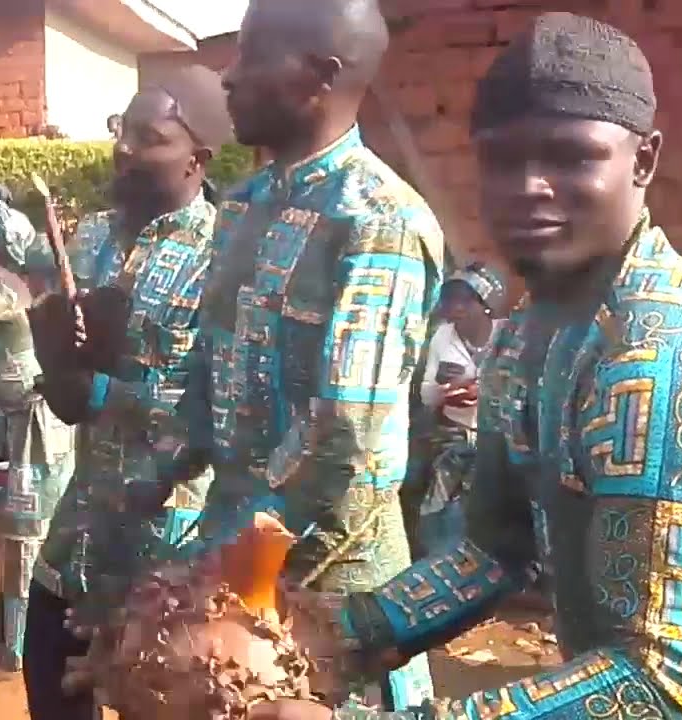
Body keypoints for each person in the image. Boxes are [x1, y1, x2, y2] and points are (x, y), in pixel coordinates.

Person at [259, 12, 682, 720]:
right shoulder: (526, 332)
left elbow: (661, 678)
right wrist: (334, 630)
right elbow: (494, 553)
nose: (528, 186)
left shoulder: (659, 359)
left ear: (643, 160)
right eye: (502, 160)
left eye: (571, 156)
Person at [161, 0, 444, 709]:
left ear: (320, 77)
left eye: (252, 56)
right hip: (226, 578)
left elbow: (343, 434)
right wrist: (143, 497)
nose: (228, 78)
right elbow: (208, 376)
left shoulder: (376, 219)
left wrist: (221, 567)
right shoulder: (243, 204)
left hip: (331, 598)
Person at [24, 64, 232, 720]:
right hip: (79, 530)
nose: (124, 148)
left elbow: (220, 406)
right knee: (50, 691)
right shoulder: (91, 237)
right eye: (123, 130)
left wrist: (108, 390)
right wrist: (57, 373)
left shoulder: (224, 255)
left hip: (172, 547)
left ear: (197, 159)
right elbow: (69, 371)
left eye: (149, 137)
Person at [0, 182, 78, 680]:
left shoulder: (2, 291)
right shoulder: (1, 285)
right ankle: (7, 635)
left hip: (39, 425)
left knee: (27, 537)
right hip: (22, 421)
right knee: (20, 535)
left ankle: (16, 653)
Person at [410, 263, 505, 556]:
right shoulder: (443, 336)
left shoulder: (507, 334)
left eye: (466, 300)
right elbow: (426, 393)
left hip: (496, 440)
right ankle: (439, 564)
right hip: (453, 435)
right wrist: (445, 392)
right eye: (450, 300)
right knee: (441, 512)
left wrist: (483, 389)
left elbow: (519, 388)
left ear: (485, 304)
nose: (456, 307)